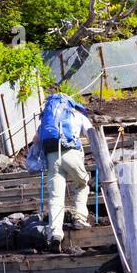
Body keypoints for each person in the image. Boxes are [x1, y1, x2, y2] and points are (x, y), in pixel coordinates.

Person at [26, 92, 93, 249]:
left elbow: (36, 139)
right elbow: (92, 133)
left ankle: (55, 232)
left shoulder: (48, 119)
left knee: (56, 196)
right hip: (72, 154)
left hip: (52, 157)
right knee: (82, 184)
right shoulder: (77, 115)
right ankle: (80, 219)